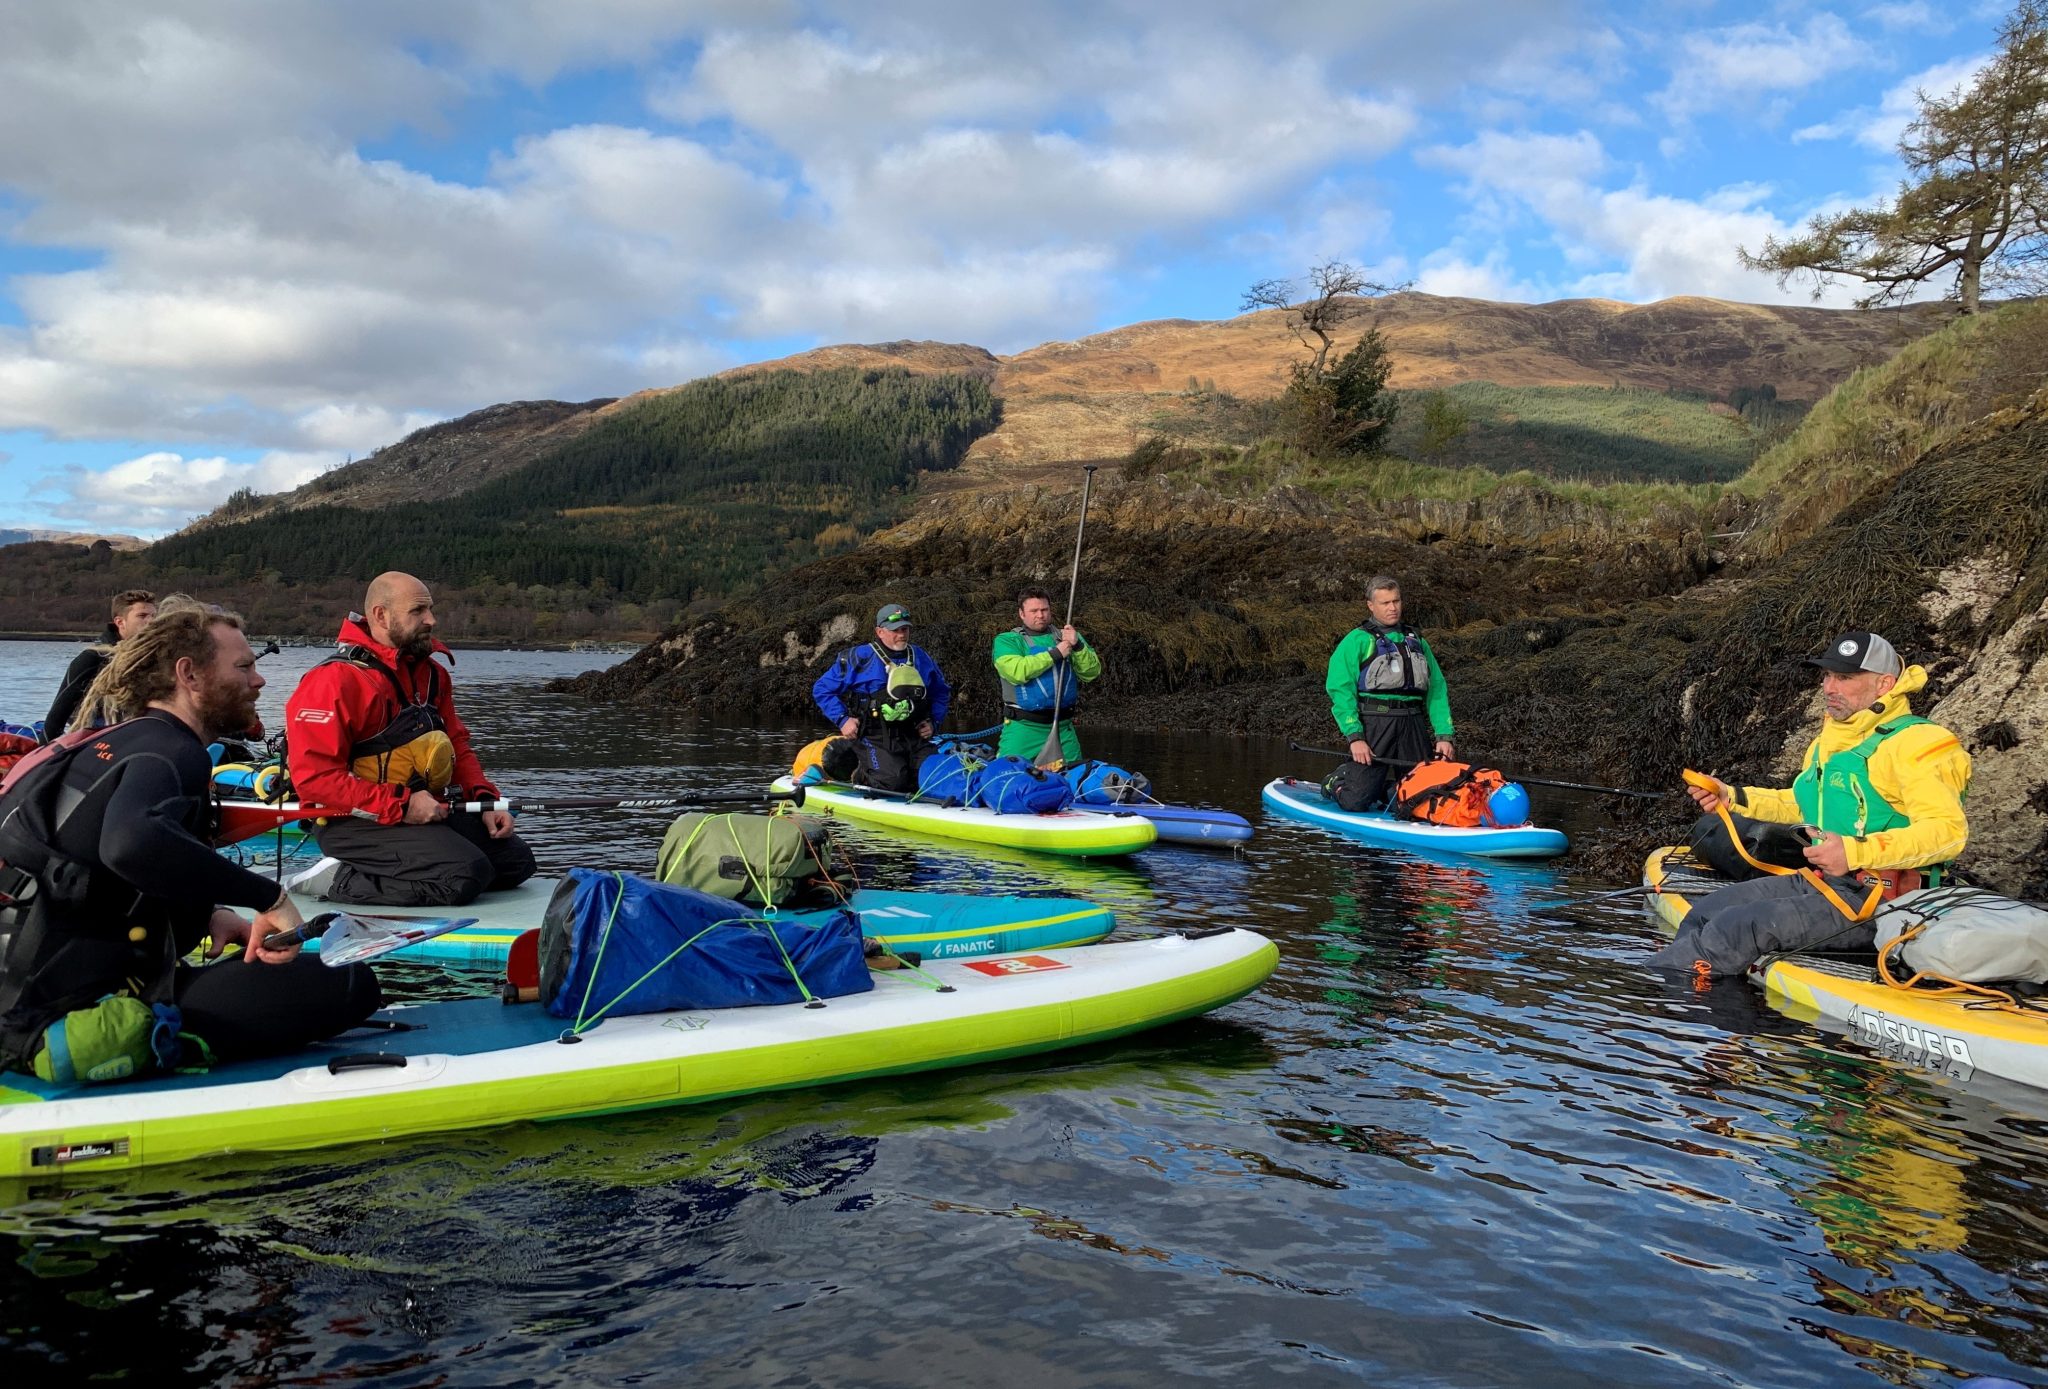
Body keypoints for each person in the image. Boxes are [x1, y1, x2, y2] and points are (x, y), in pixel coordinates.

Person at [0, 608, 380, 1078]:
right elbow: (130, 846)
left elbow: (86, 864)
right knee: (350, 984)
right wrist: (270, 897)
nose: (259, 680)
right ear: (190, 674)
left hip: (20, 996)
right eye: (243, 667)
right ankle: (153, 1038)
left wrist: (207, 913)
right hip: (53, 1020)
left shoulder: (109, 742)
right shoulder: (174, 752)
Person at [1653, 630, 1972, 980]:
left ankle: (1663, 999)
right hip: (1829, 883)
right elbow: (1802, 802)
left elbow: (1947, 833)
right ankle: (1676, 993)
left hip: (1885, 904)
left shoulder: (1921, 743)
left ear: (1884, 684)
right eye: (1827, 675)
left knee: (1739, 926)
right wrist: (1734, 796)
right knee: (1709, 910)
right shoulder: (1833, 739)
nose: (1829, 687)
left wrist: (1853, 851)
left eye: (1845, 677)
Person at [284, 572, 535, 906]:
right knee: (464, 875)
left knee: (515, 862)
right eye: (418, 611)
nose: (431, 620)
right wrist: (402, 805)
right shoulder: (333, 681)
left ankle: (417, 861)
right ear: (380, 615)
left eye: (430, 609)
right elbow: (315, 780)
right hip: (352, 821)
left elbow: (456, 743)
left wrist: (486, 799)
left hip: (421, 808)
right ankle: (338, 879)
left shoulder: (433, 674)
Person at [1324, 575, 1455, 809]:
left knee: (1425, 799)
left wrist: (1444, 736)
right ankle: (1337, 780)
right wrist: (1355, 737)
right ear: (1371, 605)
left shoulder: (1417, 640)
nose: (1392, 608)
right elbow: (1340, 690)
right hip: (1376, 723)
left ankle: (1387, 790)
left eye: (1396, 601)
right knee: (1356, 801)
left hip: (1413, 724)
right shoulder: (1357, 640)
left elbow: (1436, 689)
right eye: (1385, 603)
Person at [809, 603, 952, 792]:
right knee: (892, 781)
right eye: (895, 630)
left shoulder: (920, 657)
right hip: (873, 736)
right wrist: (843, 720)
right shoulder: (860, 657)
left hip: (913, 736)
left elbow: (941, 692)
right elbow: (822, 689)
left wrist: (934, 722)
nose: (901, 634)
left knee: (938, 776)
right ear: (879, 631)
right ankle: (859, 772)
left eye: (905, 629)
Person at [993, 586, 1103, 764]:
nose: (1040, 615)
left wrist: (1077, 646)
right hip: (1023, 729)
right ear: (1022, 614)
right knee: (1007, 777)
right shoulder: (1007, 640)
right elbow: (1017, 672)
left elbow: (1091, 673)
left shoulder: (1068, 637)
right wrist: (1056, 653)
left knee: (1072, 778)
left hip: (1062, 728)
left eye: (1044, 610)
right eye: (1034, 611)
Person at [42, 589, 155, 741]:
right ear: (120, 622)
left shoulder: (156, 659)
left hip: (141, 737)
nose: (151, 621)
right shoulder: (92, 658)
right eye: (142, 616)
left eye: (154, 616)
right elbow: (57, 717)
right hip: (97, 741)